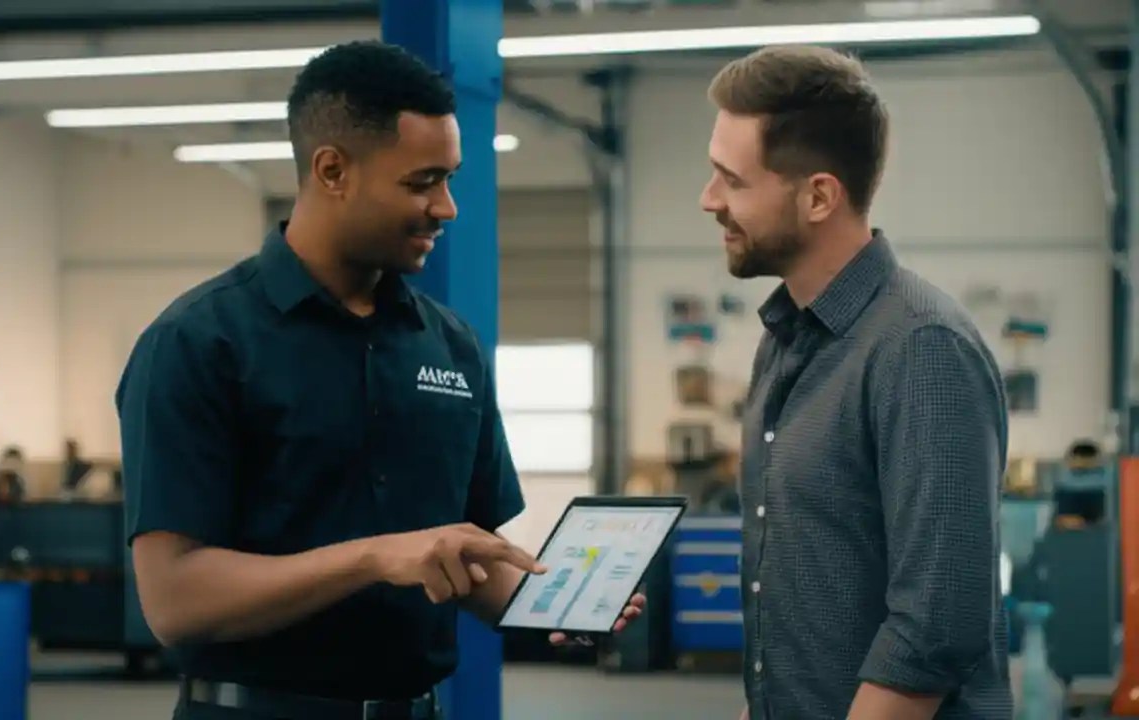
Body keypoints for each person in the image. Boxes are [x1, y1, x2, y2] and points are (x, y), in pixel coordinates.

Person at [117, 40, 643, 720]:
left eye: (449, 180)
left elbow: (460, 560)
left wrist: (553, 602)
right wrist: (373, 558)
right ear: (332, 170)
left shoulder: (450, 345)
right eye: (422, 183)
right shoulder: (197, 343)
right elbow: (174, 602)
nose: (446, 207)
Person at [698, 46, 1011, 720]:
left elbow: (935, 628)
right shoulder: (785, 339)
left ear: (818, 196)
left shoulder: (920, 348)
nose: (709, 199)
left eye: (731, 180)